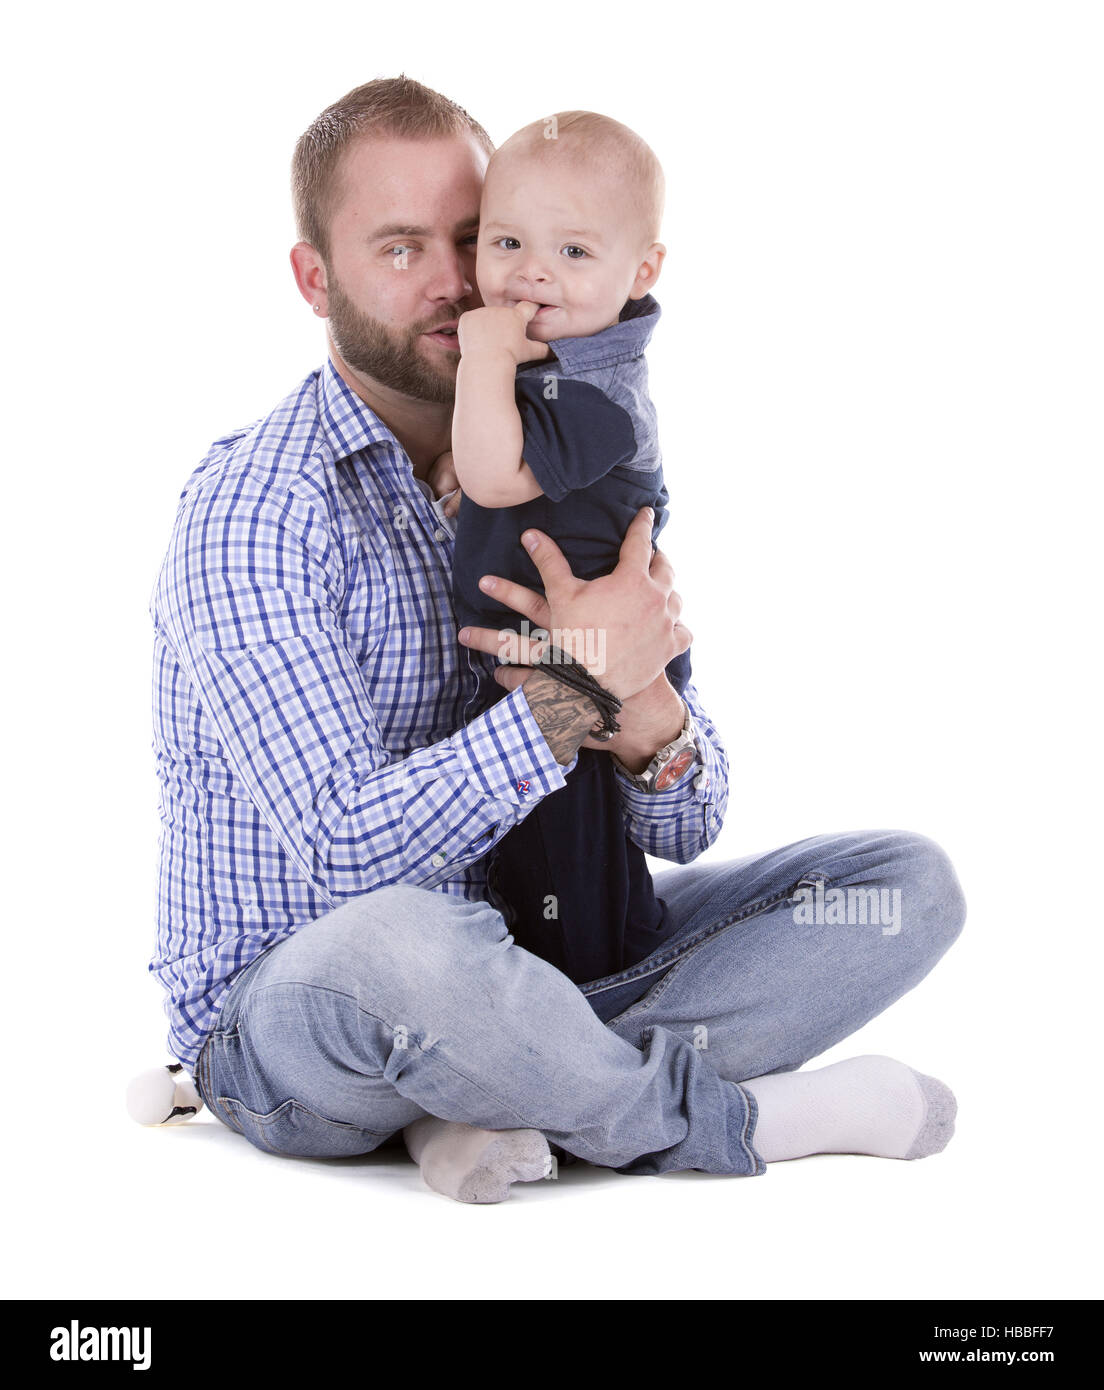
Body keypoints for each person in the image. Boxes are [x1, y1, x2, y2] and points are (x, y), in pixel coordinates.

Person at [148, 75, 966, 1205]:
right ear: (313, 278)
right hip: (304, 1002)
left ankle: (489, 1096)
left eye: (474, 238)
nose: (456, 281)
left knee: (898, 890)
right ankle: (730, 1117)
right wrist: (579, 684)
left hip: (538, 948)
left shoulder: (562, 467)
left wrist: (649, 712)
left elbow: (688, 820)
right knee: (410, 945)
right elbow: (340, 855)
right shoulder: (256, 510)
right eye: (398, 248)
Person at [444, 110, 693, 986]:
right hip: (543, 679)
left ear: (643, 270)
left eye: (575, 253)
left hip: (599, 685)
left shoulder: (603, 390)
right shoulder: (555, 357)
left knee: (573, 886)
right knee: (549, 876)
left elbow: (492, 475)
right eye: (506, 241)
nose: (532, 272)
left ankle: (592, 1033)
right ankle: (605, 1016)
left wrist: (481, 356)